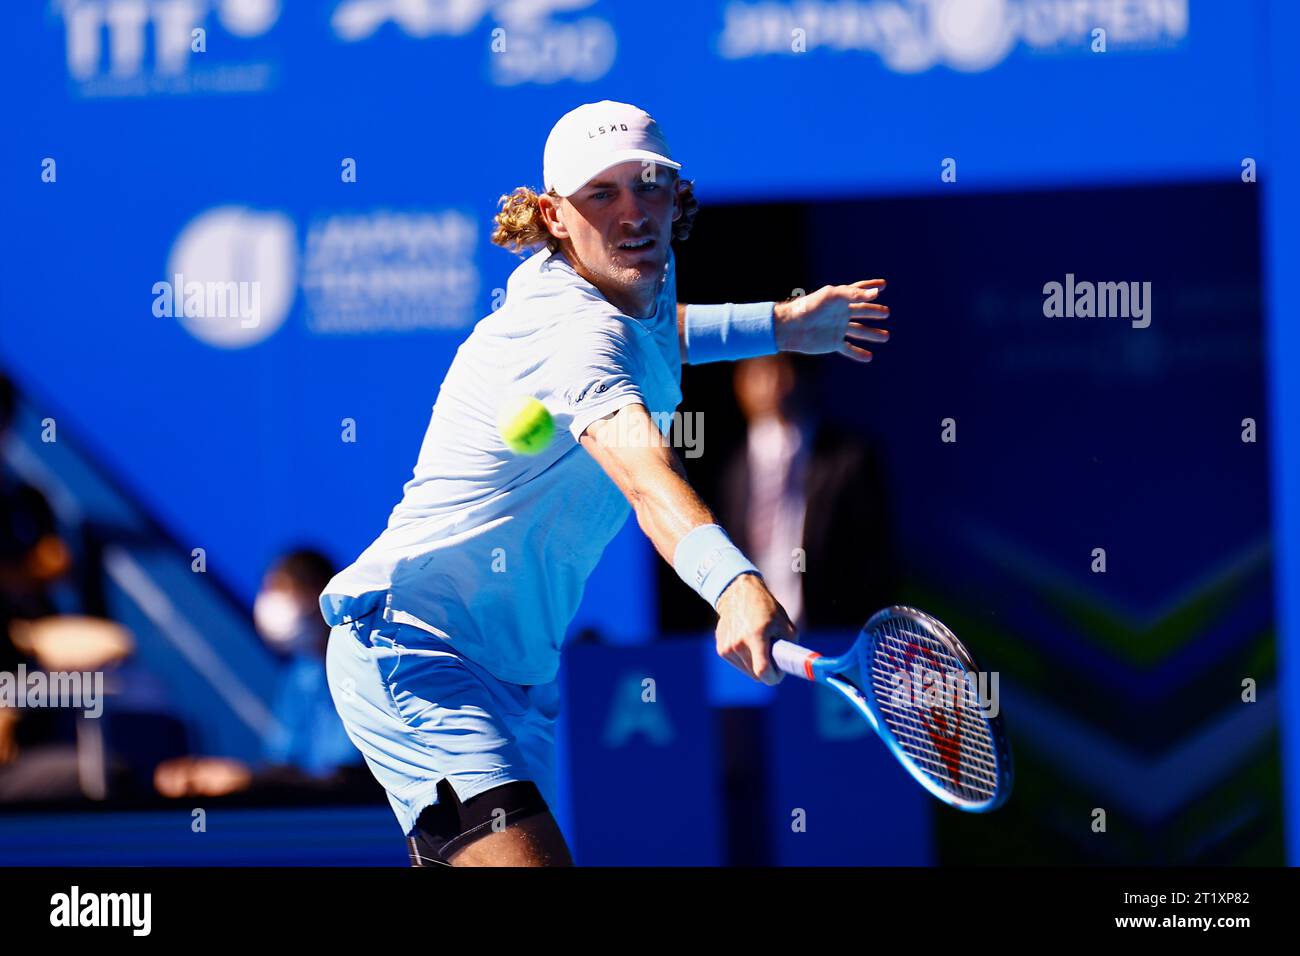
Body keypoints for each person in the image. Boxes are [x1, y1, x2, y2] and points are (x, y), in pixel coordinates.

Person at [319, 101, 891, 866]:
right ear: (554, 216)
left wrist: (781, 325)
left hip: (520, 675)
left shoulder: (629, 281)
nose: (633, 212)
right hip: (415, 648)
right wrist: (734, 585)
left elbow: (660, 335)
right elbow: (645, 475)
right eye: (602, 194)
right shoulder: (576, 336)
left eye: (649, 185)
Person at [154, 549, 362, 799]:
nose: (274, 602)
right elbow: (283, 766)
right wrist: (213, 776)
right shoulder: (300, 674)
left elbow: (348, 781)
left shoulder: (359, 668)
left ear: (319, 595)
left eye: (286, 590)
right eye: (271, 590)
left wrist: (245, 780)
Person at [721, 352, 898, 632]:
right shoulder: (734, 466)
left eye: (784, 370)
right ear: (740, 383)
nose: (774, 383)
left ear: (807, 377)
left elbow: (874, 564)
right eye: (760, 372)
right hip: (755, 639)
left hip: (833, 637)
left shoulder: (851, 459)